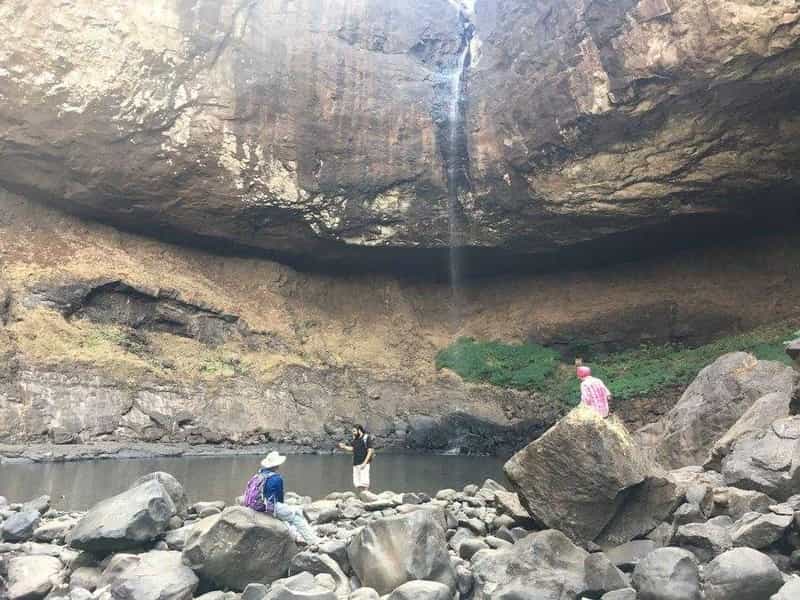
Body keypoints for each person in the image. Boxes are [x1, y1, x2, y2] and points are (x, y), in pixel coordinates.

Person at [241, 450, 319, 545]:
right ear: (276, 465)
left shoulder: (257, 476)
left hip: (254, 506)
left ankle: (294, 537)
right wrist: (283, 508)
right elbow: (279, 498)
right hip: (267, 508)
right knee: (296, 516)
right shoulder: (276, 478)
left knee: (286, 516)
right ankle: (313, 542)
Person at [338, 425, 374, 491]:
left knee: (364, 483)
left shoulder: (366, 437)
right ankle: (360, 497)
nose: (353, 433)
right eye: (353, 431)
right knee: (357, 483)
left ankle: (366, 497)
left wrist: (364, 463)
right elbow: (353, 448)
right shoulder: (355, 439)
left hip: (364, 464)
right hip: (355, 464)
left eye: (354, 431)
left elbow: (370, 451)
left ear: (359, 430)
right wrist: (344, 447)